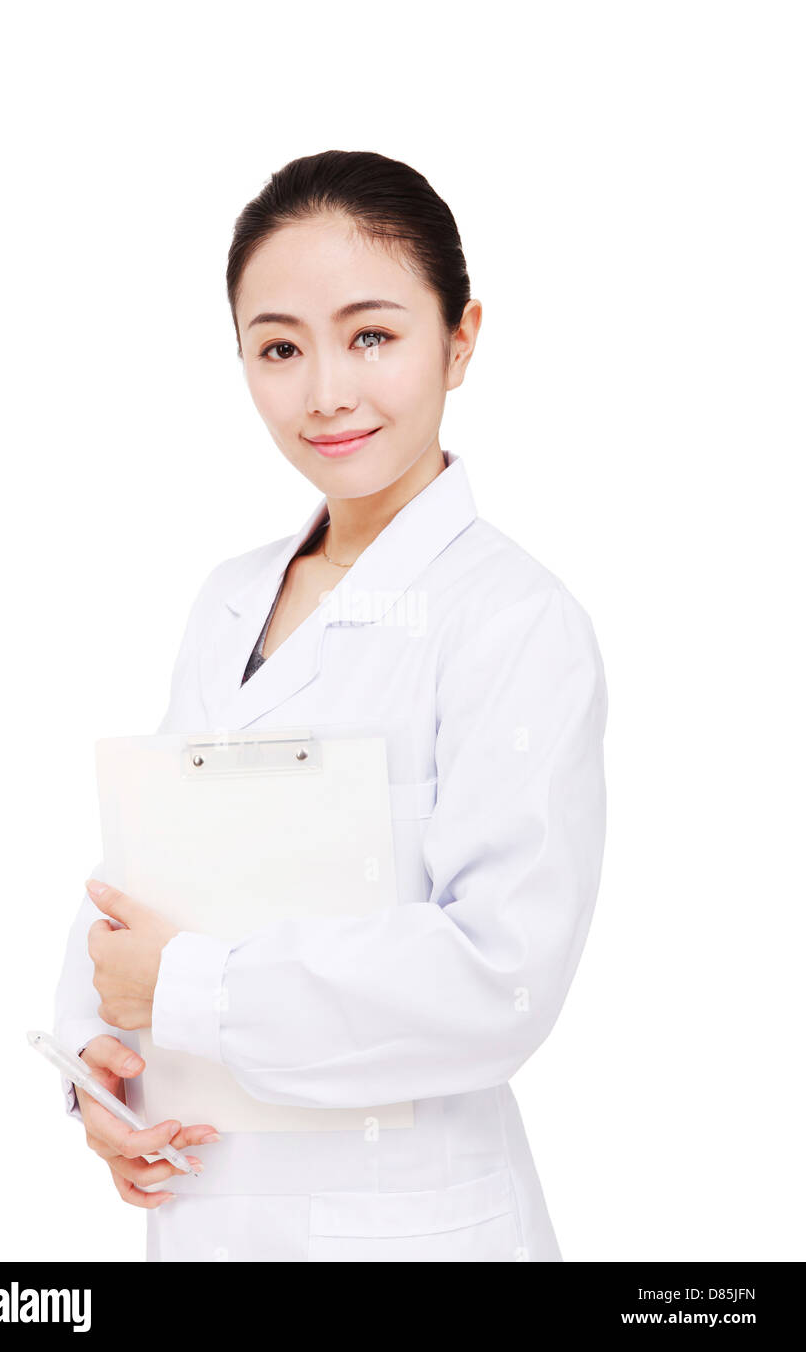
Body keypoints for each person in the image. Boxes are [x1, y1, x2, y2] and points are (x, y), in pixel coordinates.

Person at [53, 149, 609, 1262]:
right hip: (207, 1197)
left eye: (371, 335)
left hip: (410, 1229)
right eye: (278, 347)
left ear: (459, 339)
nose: (325, 393)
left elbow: (499, 976)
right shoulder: (228, 597)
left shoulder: (513, 620)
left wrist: (187, 986)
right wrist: (97, 1062)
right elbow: (148, 871)